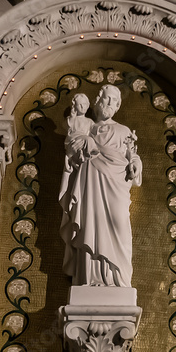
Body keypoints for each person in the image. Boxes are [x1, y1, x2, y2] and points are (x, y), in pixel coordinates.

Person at [58, 85, 142, 287]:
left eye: (114, 100)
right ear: (97, 101)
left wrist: (136, 164)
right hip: (90, 187)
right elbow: (72, 153)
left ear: (118, 106)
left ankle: (118, 279)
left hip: (116, 187)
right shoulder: (87, 128)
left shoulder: (123, 131)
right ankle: (89, 278)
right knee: (89, 225)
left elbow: (132, 155)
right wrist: (83, 144)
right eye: (106, 98)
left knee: (118, 226)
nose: (109, 103)